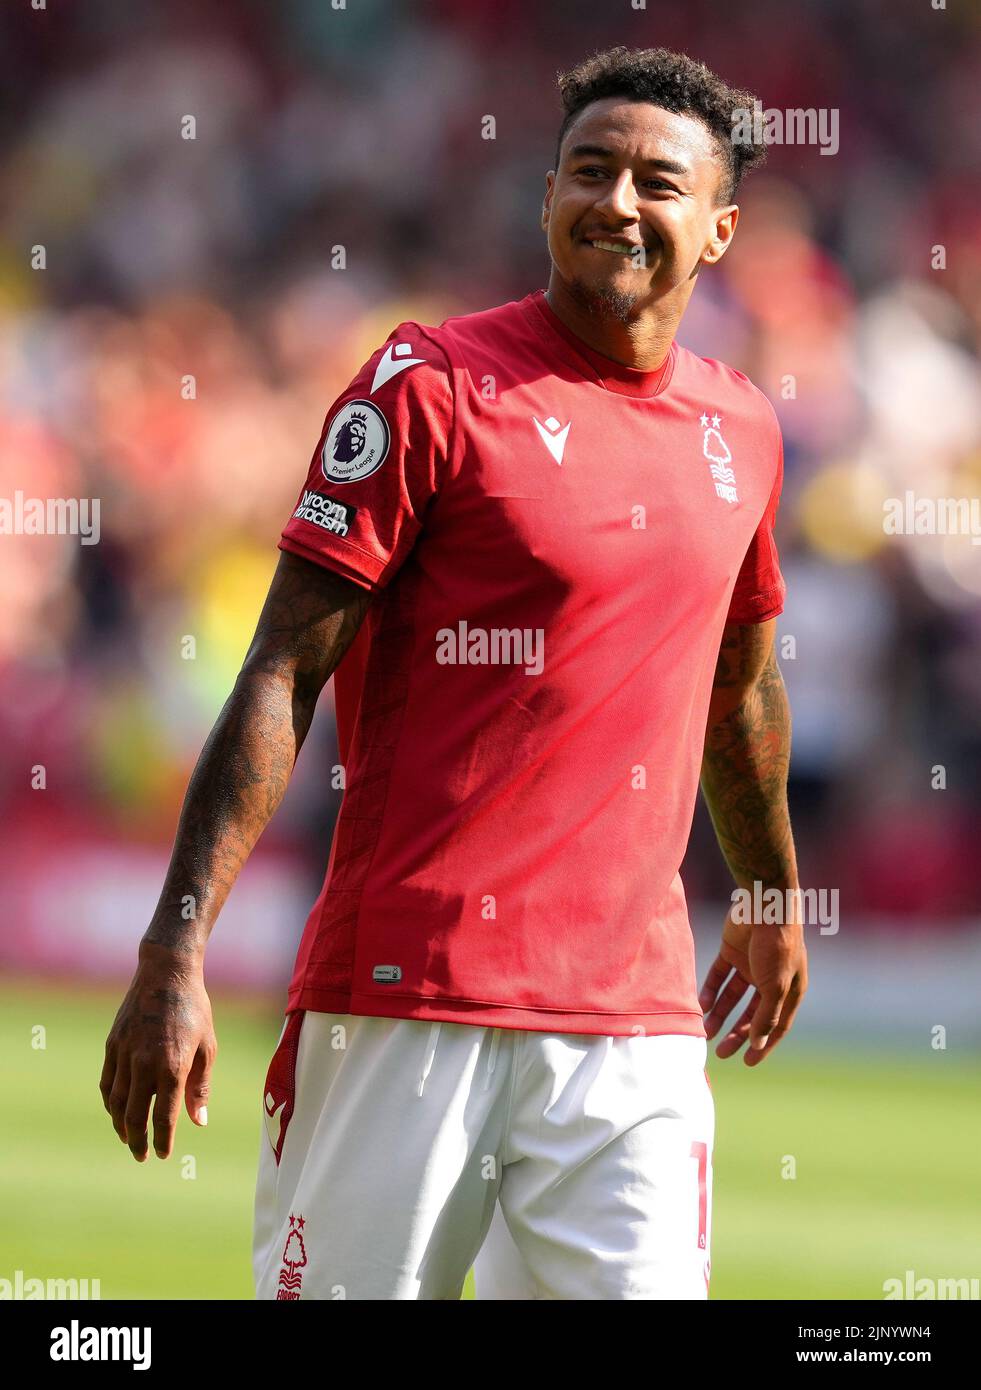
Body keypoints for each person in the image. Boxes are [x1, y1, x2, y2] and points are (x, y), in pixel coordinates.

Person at [100, 44, 808, 1301]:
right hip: (408, 996)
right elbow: (281, 673)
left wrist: (770, 894)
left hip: (631, 1027)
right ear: (546, 198)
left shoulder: (742, 428)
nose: (619, 204)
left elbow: (738, 686)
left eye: (659, 182)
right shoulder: (428, 388)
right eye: (590, 172)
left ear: (720, 229)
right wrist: (176, 948)